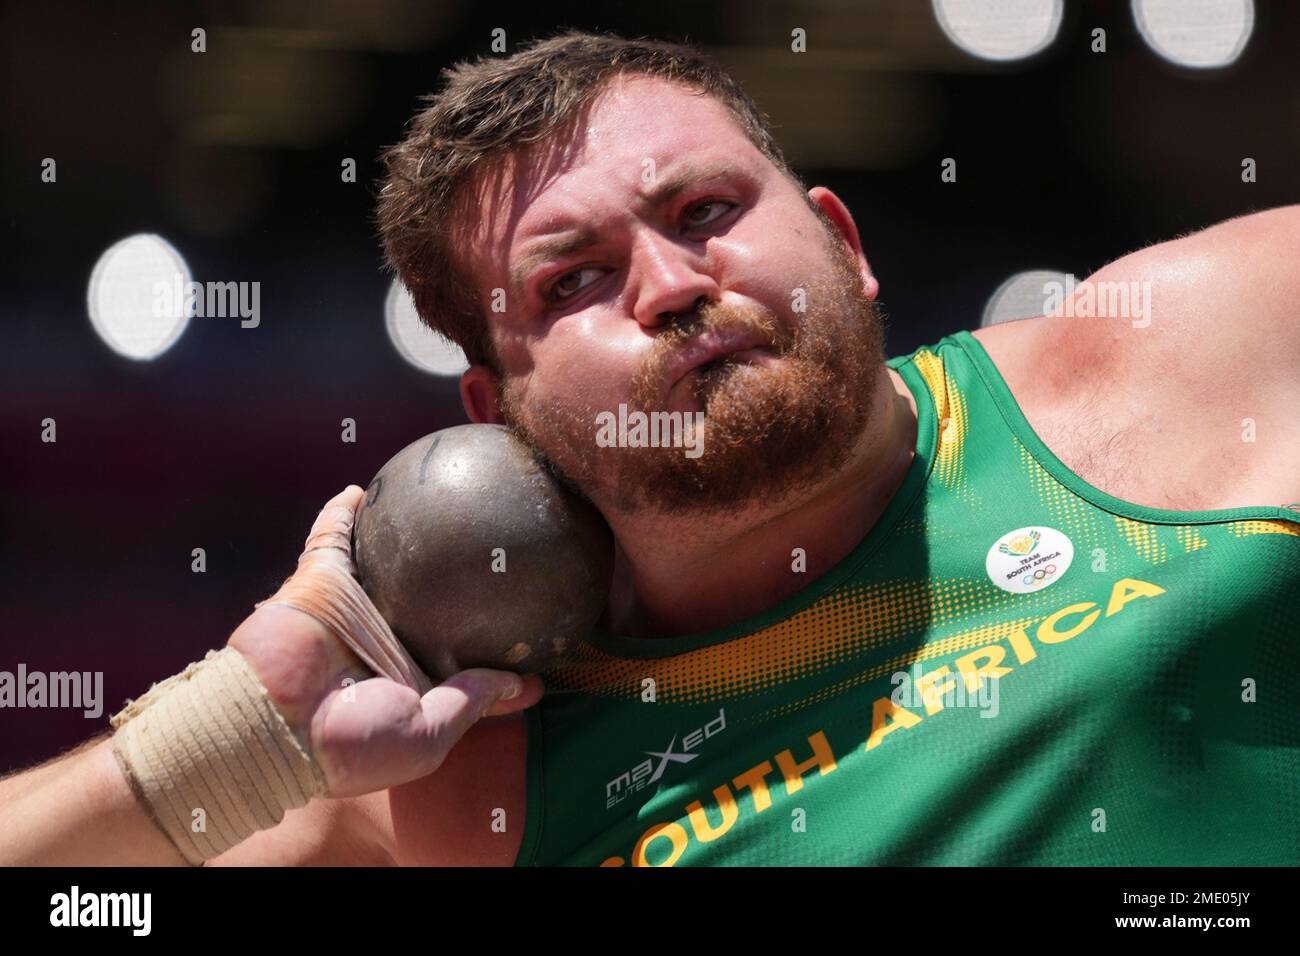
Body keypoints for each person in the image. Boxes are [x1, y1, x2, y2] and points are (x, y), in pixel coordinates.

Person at [2, 30, 1297, 867]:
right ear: (497, 409)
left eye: (708, 211)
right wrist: (244, 729)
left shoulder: (1204, 354)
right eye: (573, 283)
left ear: (843, 243)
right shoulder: (476, 771)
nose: (675, 284)